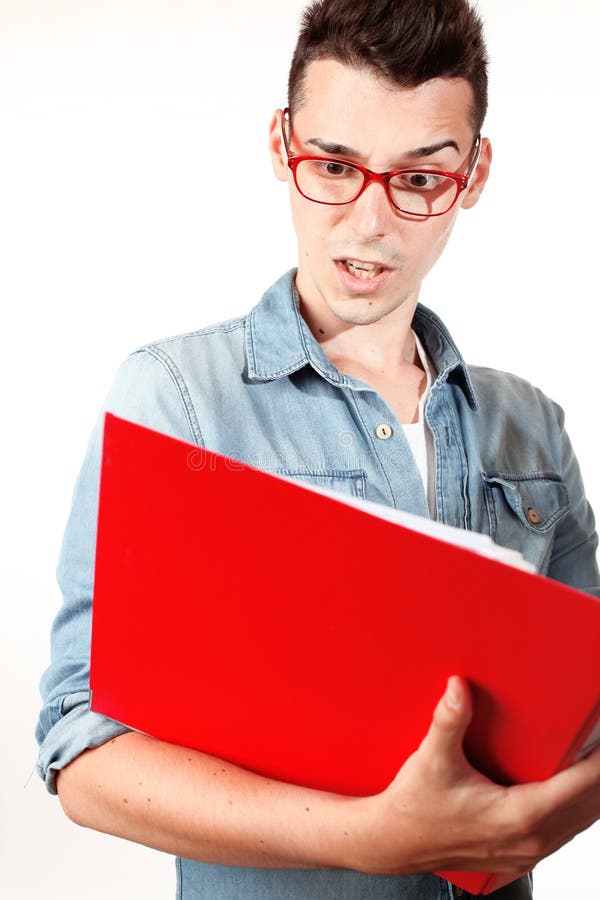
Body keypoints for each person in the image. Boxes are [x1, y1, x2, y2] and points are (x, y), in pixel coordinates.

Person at [36, 1, 600, 898]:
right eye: (335, 166)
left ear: (476, 171)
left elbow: (585, 711)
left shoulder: (531, 427)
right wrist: (365, 837)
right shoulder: (177, 400)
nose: (373, 223)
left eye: (421, 178)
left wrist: (549, 812)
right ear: (280, 146)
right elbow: (85, 750)